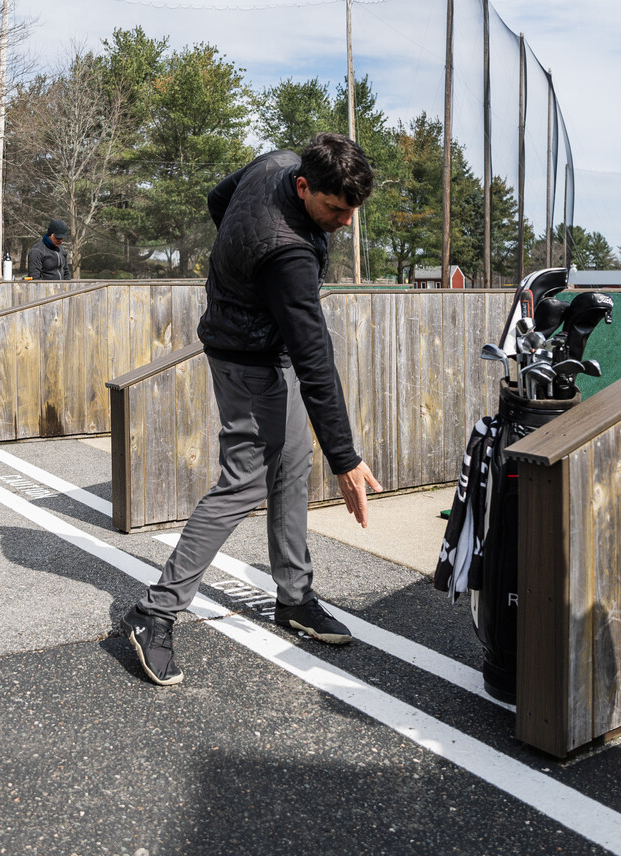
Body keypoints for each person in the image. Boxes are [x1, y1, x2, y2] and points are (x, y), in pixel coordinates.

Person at [119, 133, 382, 686]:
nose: (344, 223)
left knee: (289, 461)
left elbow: (219, 199)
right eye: (334, 210)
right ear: (305, 187)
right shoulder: (287, 254)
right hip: (248, 358)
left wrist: (238, 271)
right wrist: (346, 458)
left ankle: (293, 597)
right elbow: (316, 359)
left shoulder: (279, 161)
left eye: (352, 211)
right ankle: (154, 612)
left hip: (259, 340)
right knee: (244, 480)